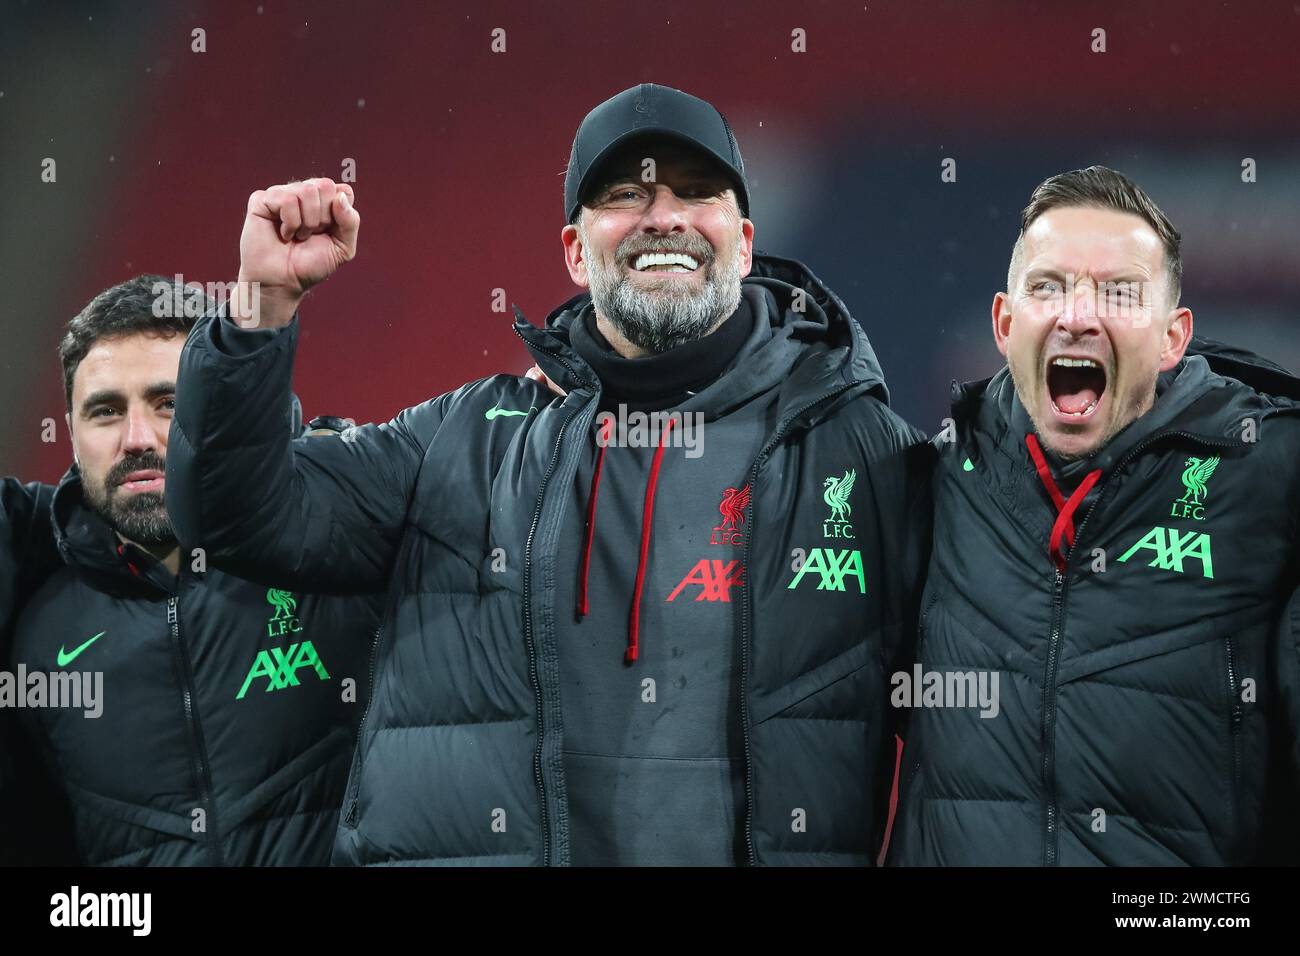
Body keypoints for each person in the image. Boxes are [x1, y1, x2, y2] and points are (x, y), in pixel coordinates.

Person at [165, 83, 932, 866]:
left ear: (741, 240)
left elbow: (981, 729)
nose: (662, 216)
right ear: (574, 251)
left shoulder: (862, 455)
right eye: (625, 194)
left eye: (695, 192)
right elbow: (234, 515)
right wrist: (260, 306)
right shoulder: (459, 440)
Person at [888, 166, 1300, 865]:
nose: (1077, 316)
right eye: (1048, 286)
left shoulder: (1270, 475)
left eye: (1118, 292)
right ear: (1004, 322)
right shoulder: (930, 484)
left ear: (1174, 338)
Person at [8, 275, 380, 865]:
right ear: (71, 431)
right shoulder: (36, 637)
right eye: (105, 412)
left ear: (223, 404)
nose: (137, 439)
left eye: (170, 403)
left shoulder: (349, 553)